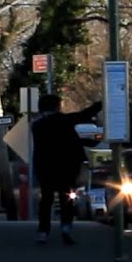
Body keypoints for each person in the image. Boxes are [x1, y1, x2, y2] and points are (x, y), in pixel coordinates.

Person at [30, 93, 102, 245]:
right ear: (56, 106)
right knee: (67, 199)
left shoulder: (37, 125)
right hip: (65, 168)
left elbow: (58, 139)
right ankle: (66, 228)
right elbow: (83, 116)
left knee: (46, 200)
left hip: (45, 168)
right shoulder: (63, 120)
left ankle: (43, 231)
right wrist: (100, 105)